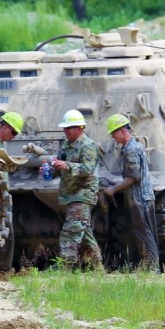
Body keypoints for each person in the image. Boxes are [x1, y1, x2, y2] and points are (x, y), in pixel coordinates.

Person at [101, 113, 160, 271]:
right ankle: (141, 267)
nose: (113, 137)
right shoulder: (130, 148)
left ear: (122, 131)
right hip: (138, 198)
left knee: (144, 235)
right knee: (138, 234)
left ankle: (152, 269)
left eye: (114, 133)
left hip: (140, 199)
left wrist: (113, 189)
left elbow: (133, 178)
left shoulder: (131, 150)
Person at [49, 109, 103, 270]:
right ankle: (98, 267)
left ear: (79, 128)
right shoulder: (67, 145)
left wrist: (67, 165)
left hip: (83, 193)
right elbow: (62, 165)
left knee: (70, 231)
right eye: (64, 128)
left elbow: (88, 168)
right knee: (84, 232)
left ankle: (65, 267)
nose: (65, 131)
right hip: (71, 194)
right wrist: (52, 169)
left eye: (68, 128)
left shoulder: (88, 146)